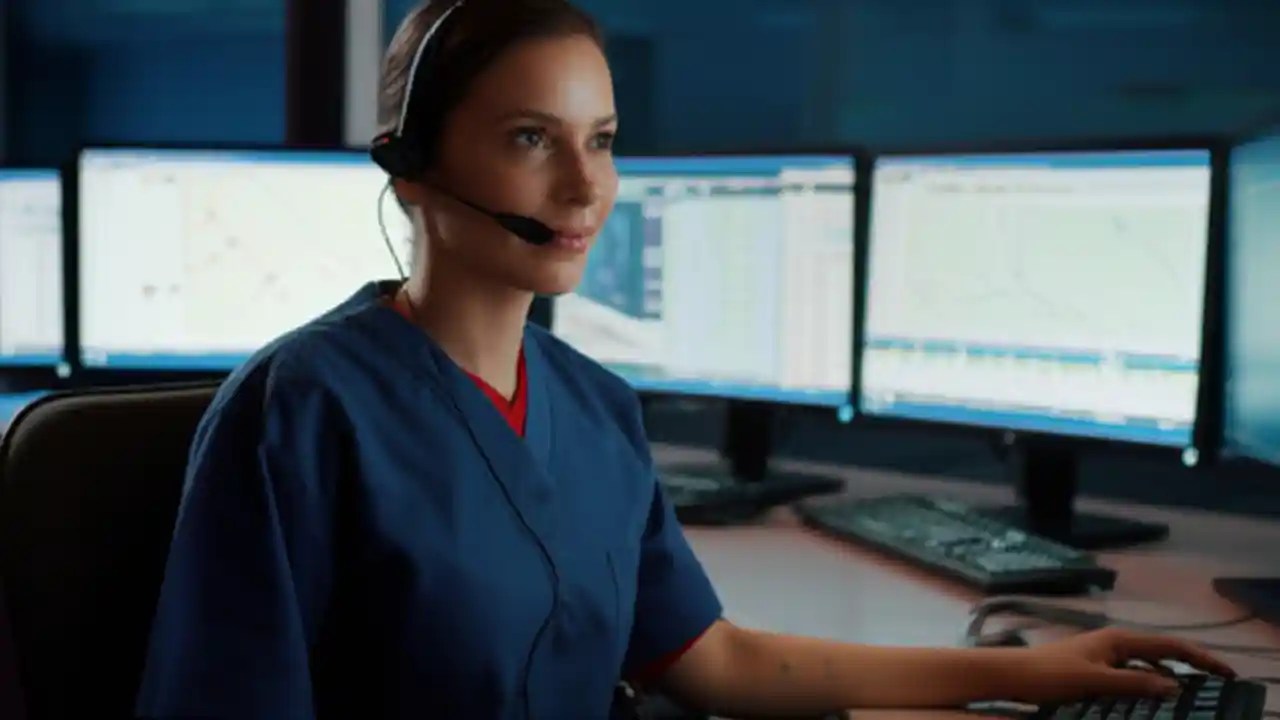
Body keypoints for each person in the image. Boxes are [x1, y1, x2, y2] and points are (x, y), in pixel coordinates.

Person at [134, 0, 1234, 718]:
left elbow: (712, 662)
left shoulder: (594, 407)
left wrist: (1021, 677)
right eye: (531, 140)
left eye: (602, 140)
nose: (585, 188)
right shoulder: (298, 413)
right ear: (411, 167)